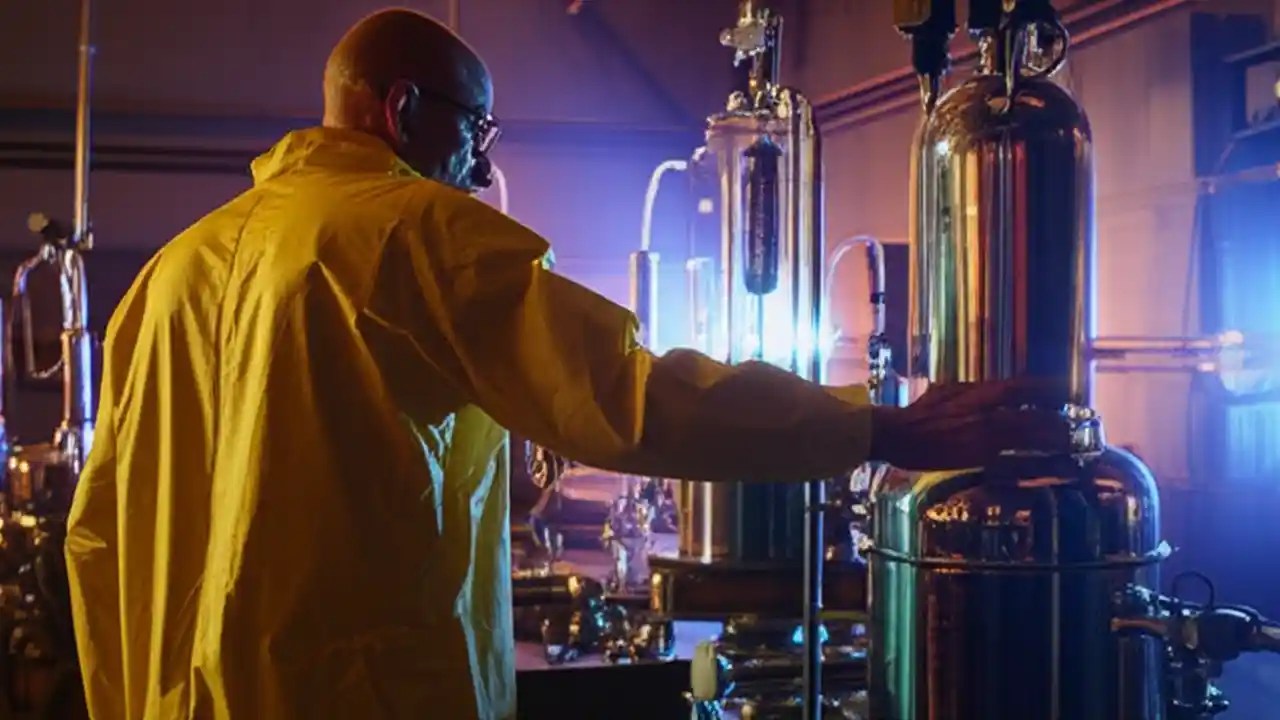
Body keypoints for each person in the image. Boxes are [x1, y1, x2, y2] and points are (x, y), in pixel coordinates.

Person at [64, 8, 1069, 720]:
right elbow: (622, 396)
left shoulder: (170, 273)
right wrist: (874, 426)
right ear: (402, 108)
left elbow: (97, 538)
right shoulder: (410, 229)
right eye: (474, 130)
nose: (480, 164)